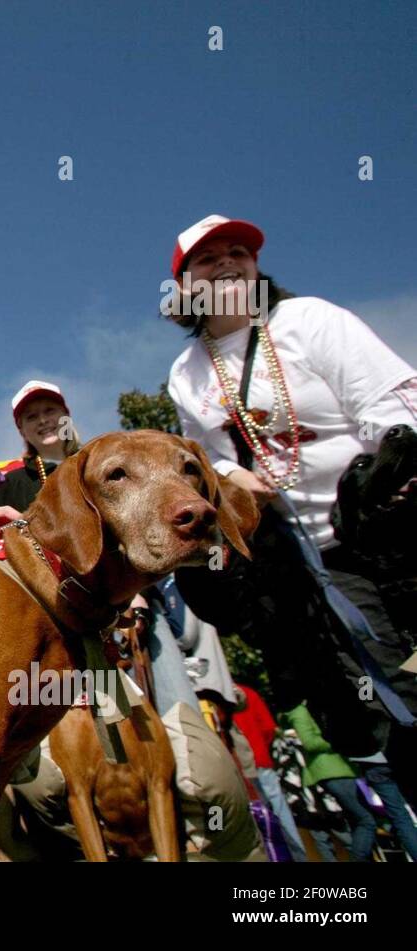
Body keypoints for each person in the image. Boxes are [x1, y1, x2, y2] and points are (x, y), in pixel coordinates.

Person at [165, 213, 417, 802]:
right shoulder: (187, 373)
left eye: (238, 251)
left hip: (389, 526)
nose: (228, 261)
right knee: (388, 688)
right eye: (207, 258)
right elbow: (204, 455)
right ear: (184, 284)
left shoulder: (309, 321)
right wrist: (229, 475)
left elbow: (393, 404)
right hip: (317, 557)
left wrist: (391, 474)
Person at [286, 702, 417, 861]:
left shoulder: (320, 702)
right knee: (368, 820)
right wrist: (341, 739)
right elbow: (310, 743)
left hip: (353, 766)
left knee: (366, 820)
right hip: (334, 771)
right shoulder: (300, 711)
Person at [232, 683, 311, 861]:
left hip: (238, 765)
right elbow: (268, 728)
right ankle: (297, 856)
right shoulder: (247, 692)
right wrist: (260, 746)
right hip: (261, 759)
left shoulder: (213, 696)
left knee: (254, 814)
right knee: (280, 809)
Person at [0, 380, 81, 513]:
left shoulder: (94, 463)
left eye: (49, 410)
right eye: (31, 417)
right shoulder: (13, 483)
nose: (43, 421)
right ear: (22, 431)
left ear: (66, 417)